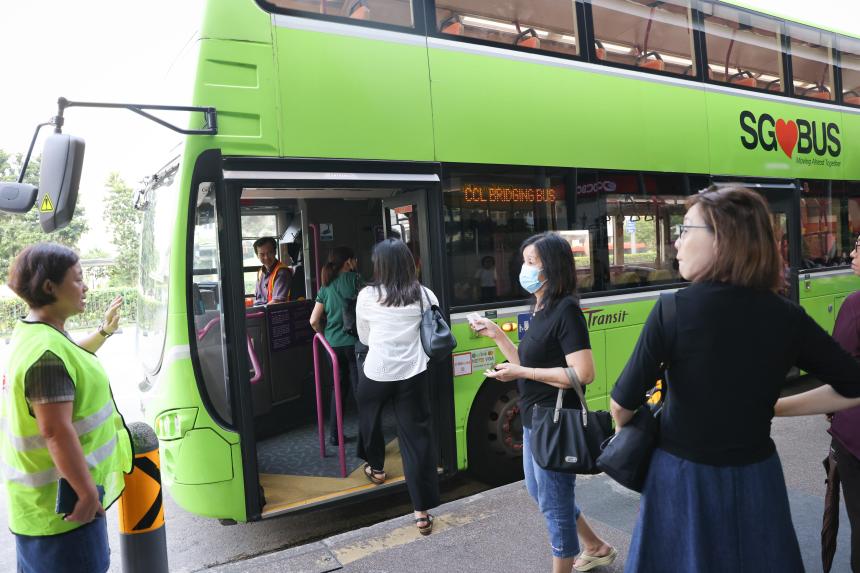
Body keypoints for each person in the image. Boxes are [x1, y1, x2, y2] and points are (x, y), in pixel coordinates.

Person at [610, 187, 860, 572]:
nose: (677, 243)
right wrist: (775, 408)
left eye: (686, 229)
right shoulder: (785, 316)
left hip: (682, 480)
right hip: (756, 480)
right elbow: (853, 386)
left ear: (720, 239)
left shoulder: (672, 310)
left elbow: (621, 407)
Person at [472, 232, 617, 573]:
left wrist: (522, 371)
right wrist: (497, 334)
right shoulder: (540, 307)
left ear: (551, 268)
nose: (525, 268)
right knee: (542, 495)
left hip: (553, 421)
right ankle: (595, 546)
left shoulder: (567, 311)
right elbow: (526, 360)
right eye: (524, 261)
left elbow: (583, 373)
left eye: (532, 262)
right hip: (534, 420)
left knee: (554, 505)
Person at [1, 243, 133, 573]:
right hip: (63, 513)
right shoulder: (47, 354)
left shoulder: (38, 335)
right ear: (50, 287)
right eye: (78, 279)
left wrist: (104, 331)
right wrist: (87, 493)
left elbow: (72, 357)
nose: (86, 287)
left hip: (48, 510)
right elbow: (55, 431)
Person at [355, 238, 440, 535]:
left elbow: (364, 337)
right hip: (413, 373)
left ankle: (376, 468)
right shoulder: (425, 294)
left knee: (368, 417)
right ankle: (421, 513)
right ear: (408, 263)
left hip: (377, 371)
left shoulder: (367, 296)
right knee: (415, 441)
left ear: (380, 266)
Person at [310, 246, 363, 446]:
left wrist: (324, 338)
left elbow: (314, 320)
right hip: (354, 343)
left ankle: (334, 435)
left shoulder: (325, 287)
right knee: (359, 388)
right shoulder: (356, 280)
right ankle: (366, 433)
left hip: (332, 346)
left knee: (337, 389)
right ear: (348, 261)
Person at [253, 236, 291, 305]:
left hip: (274, 313)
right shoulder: (260, 272)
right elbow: (258, 298)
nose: (266, 257)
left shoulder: (282, 272)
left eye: (269, 253)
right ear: (257, 256)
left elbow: (277, 302)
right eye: (262, 254)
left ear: (275, 252)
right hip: (262, 310)